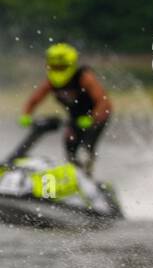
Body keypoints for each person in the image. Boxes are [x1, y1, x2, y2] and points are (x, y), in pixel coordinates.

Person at [18, 43, 113, 175]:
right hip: (75, 118)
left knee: (86, 148)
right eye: (54, 67)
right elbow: (34, 99)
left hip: (96, 117)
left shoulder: (85, 78)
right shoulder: (51, 82)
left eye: (61, 67)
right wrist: (26, 115)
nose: (57, 71)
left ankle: (87, 177)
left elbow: (104, 102)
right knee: (70, 145)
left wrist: (92, 118)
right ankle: (74, 174)